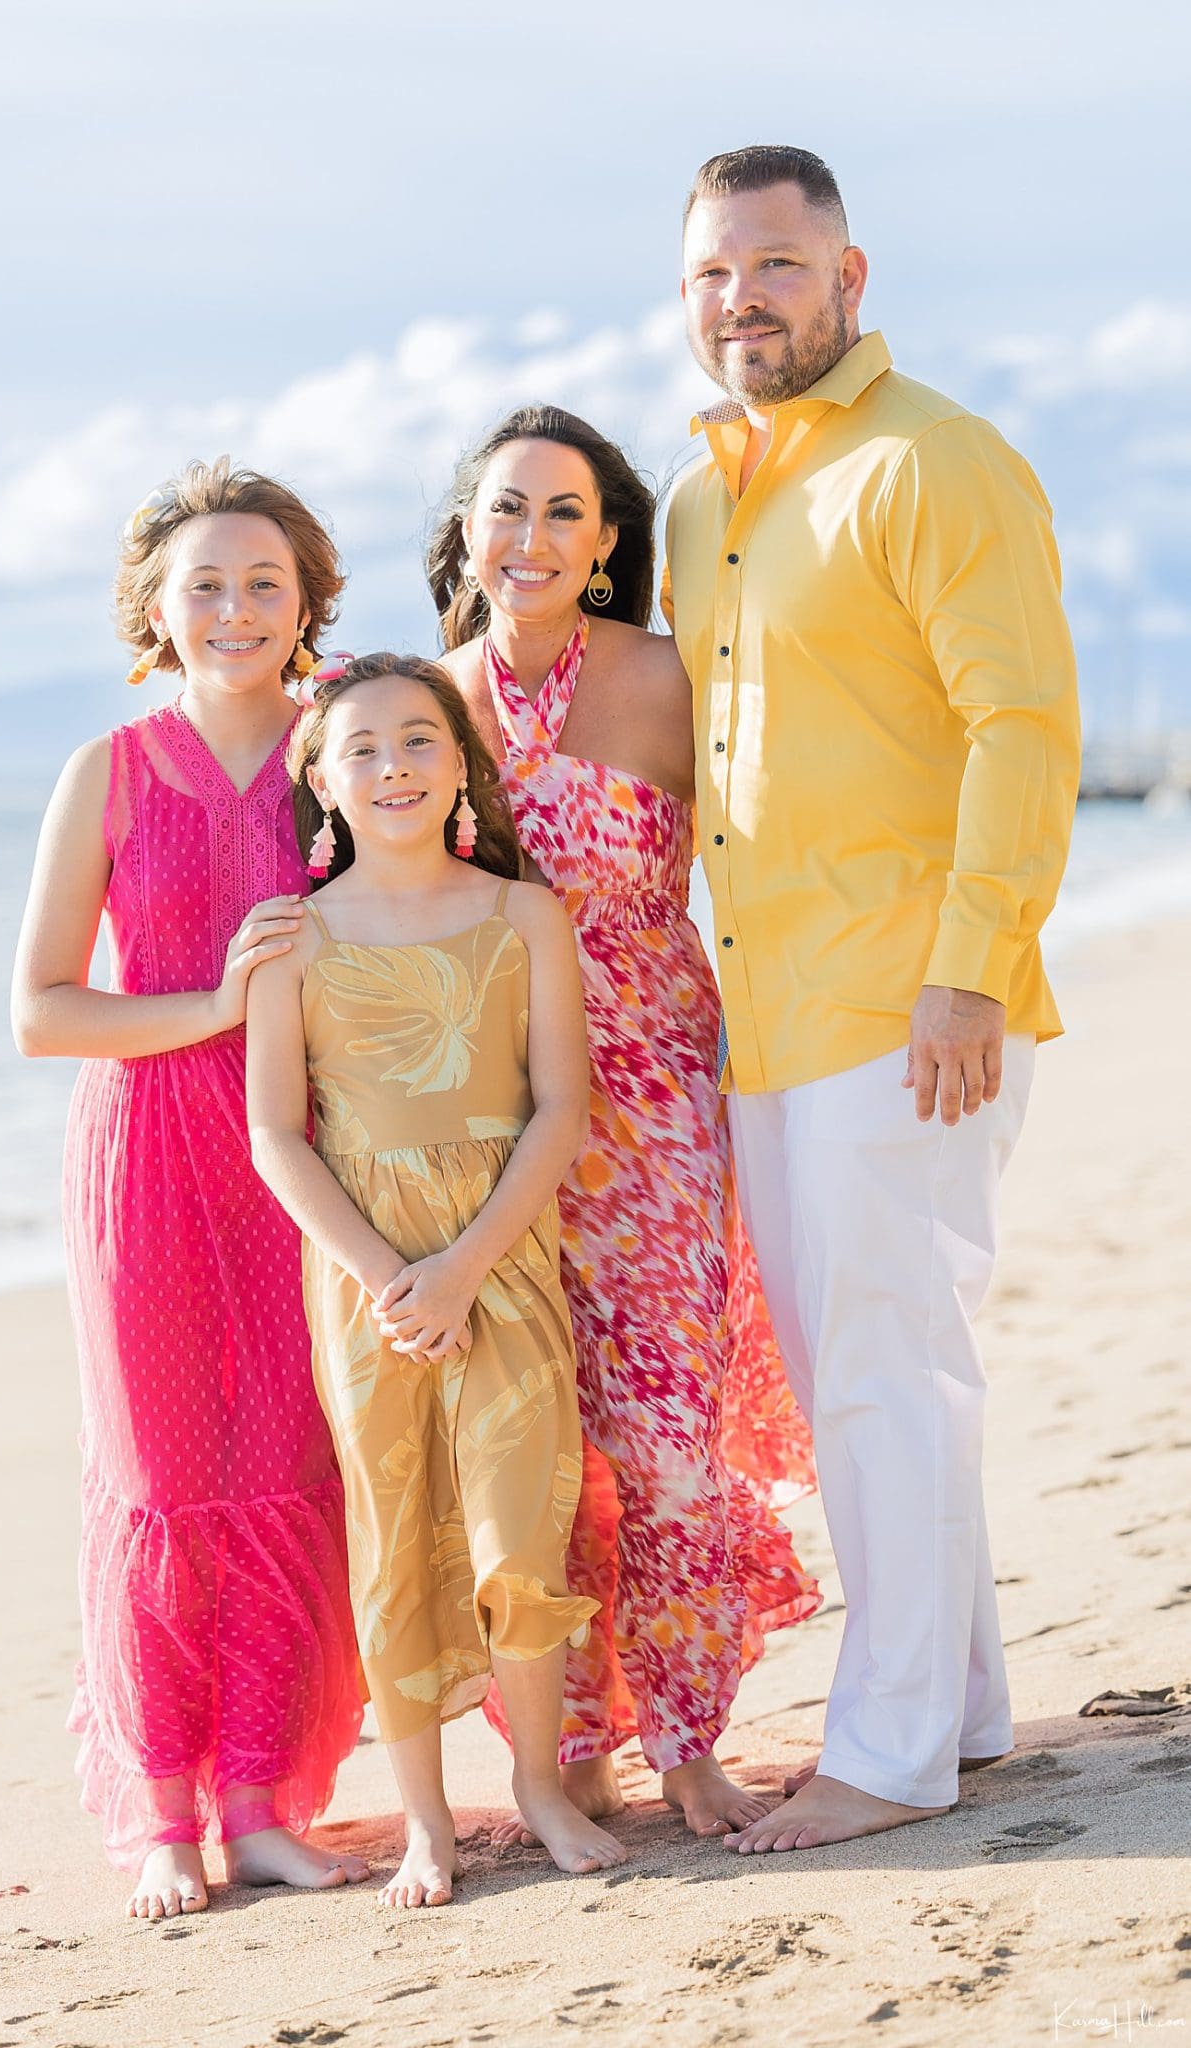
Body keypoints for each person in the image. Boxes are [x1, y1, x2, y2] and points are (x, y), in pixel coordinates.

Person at [664, 145, 1082, 1852]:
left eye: (772, 265)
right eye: (710, 273)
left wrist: (970, 970)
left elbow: (1024, 731)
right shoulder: (705, 503)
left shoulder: (942, 461)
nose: (740, 298)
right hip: (769, 1014)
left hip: (912, 1007)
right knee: (879, 1371)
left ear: (848, 275)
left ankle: (890, 1749)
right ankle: (957, 1709)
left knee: (883, 1380)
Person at [428, 409, 818, 1841]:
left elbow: (776, 850)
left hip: (655, 1103)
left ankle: (690, 1736)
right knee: (540, 1450)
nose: (526, 538)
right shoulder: (427, 703)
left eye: (560, 514)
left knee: (662, 1442)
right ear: (466, 533)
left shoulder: (667, 678)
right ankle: (570, 1741)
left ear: (605, 544)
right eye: (502, 509)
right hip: (491, 1117)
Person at [11, 459, 367, 1919]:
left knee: (290, 1459)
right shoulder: (108, 769)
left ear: (306, 607)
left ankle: (260, 1795)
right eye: (204, 584)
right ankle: (162, 1813)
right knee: (160, 1478)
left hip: (313, 1152)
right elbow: (41, 1009)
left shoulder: (343, 753)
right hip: (149, 1152)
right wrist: (212, 1011)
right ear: (155, 608)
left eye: (263, 584)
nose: (235, 609)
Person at [246, 652, 629, 1909]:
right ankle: (425, 1823)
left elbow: (562, 1109)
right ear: (322, 779)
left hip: (500, 1251)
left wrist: (464, 1264)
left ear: (461, 762)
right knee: (394, 1540)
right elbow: (277, 1133)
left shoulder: (525, 915)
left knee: (521, 1523)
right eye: (361, 747)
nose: (393, 766)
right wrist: (388, 1273)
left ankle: (534, 1783)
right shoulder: (295, 936)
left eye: (419, 739)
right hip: (367, 1274)